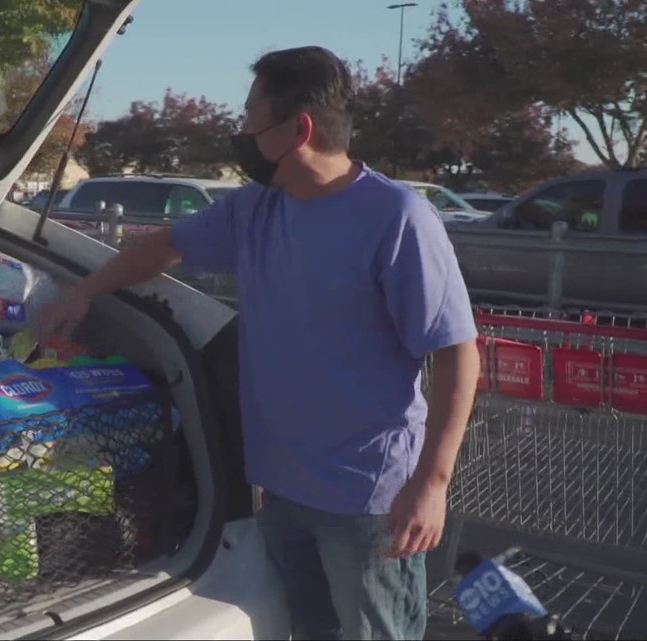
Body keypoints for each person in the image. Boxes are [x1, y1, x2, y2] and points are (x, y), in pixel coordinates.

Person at [37, 46, 481, 640]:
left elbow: (457, 353)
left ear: (296, 129)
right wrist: (83, 292)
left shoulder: (397, 217)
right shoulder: (254, 209)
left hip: (369, 502)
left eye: (250, 119)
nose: (241, 133)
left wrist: (431, 485)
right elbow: (161, 247)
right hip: (281, 493)